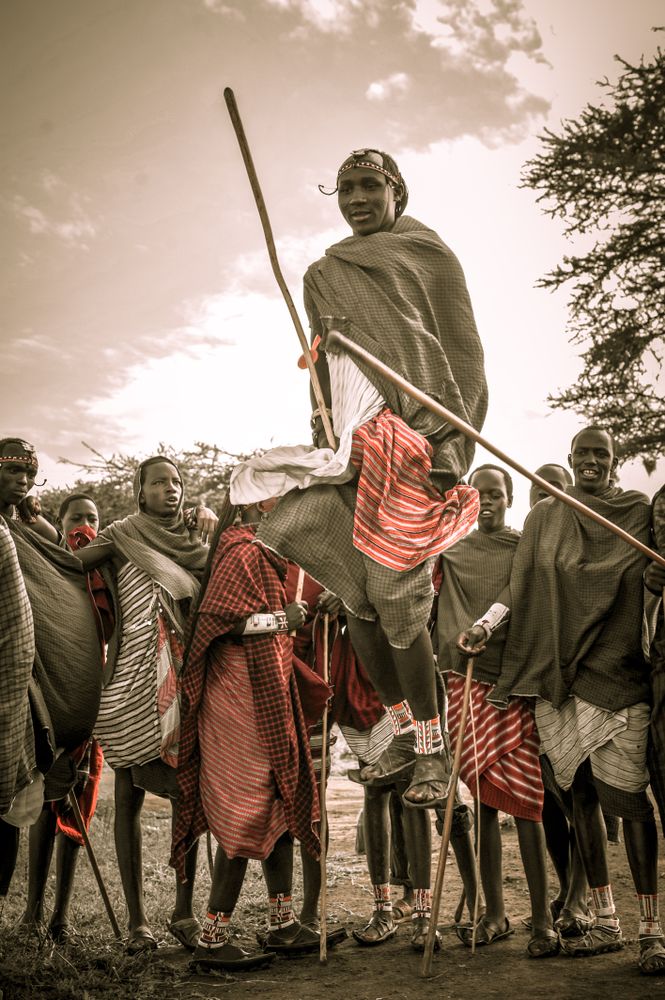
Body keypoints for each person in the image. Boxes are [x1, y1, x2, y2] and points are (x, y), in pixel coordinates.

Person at [230, 149, 487, 809]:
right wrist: (322, 431)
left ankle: (432, 748)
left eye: (370, 185)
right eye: (345, 190)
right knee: (357, 601)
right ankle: (401, 733)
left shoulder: (429, 256)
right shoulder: (324, 272)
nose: (356, 199)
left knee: (397, 598)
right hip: (347, 438)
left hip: (411, 434)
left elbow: (459, 351)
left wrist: (448, 443)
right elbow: (322, 362)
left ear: (397, 189)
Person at [459, 427, 665, 975]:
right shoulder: (546, 518)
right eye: (584, 453)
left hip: (617, 675)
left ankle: (651, 930)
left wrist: (656, 580)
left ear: (615, 461)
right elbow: (521, 586)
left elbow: (653, 571)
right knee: (580, 798)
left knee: (632, 802)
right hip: (557, 678)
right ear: (571, 459)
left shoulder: (635, 511)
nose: (592, 460)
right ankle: (605, 919)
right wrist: (485, 626)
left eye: (602, 453)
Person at [172, 496, 337, 972]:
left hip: (265, 691)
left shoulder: (262, 550)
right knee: (246, 810)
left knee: (279, 803)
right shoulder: (242, 551)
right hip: (237, 696)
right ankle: (212, 939)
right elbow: (220, 624)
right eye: (286, 498)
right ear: (261, 506)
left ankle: (283, 923)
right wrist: (286, 619)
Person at [78, 456, 212, 954]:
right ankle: (137, 922)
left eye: (176, 482)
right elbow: (70, 565)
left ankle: (184, 911)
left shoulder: (197, 539)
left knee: (186, 794)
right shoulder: (120, 535)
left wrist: (210, 521)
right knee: (128, 794)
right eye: (158, 483)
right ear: (140, 492)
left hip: (184, 675)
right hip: (129, 676)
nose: (170, 489)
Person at [437, 464, 556, 957]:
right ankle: (494, 914)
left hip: (510, 685)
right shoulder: (448, 548)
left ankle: (543, 920)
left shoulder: (521, 548)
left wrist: (485, 625)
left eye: (496, 494)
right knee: (483, 798)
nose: (486, 501)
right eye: (478, 494)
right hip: (460, 684)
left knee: (527, 802)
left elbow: (518, 595)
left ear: (510, 499)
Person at [0, 439, 103, 902]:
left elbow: (60, 565)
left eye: (29, 472)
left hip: (30, 673)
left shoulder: (25, 527)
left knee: (27, 793)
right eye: (12, 470)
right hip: (10, 667)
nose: (22, 480)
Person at [20, 494, 111, 942]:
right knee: (45, 802)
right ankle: (32, 911)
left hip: (89, 702)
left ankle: (60, 916)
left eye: (93, 518)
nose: (85, 525)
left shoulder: (102, 570)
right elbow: (37, 530)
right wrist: (29, 513)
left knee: (78, 805)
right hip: (52, 699)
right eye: (77, 517)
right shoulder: (49, 565)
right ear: (60, 522)